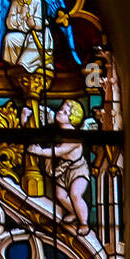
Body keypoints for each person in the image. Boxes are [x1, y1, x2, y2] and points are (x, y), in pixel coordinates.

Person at [24, 99, 93, 236]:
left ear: (71, 119)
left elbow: (58, 152)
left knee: (75, 194)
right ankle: (74, 212)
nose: (60, 112)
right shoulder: (58, 131)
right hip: (63, 169)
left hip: (77, 169)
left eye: (65, 112)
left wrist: (38, 151)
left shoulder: (74, 137)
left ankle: (84, 223)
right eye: (61, 109)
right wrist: (27, 115)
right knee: (60, 196)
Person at [1, 0, 53, 78]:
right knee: (9, 38)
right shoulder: (15, 4)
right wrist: (21, 15)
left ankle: (24, 66)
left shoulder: (37, 2)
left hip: (39, 36)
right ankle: (13, 66)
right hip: (24, 35)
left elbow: (41, 23)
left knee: (31, 46)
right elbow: (9, 23)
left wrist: (33, 23)